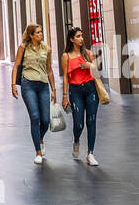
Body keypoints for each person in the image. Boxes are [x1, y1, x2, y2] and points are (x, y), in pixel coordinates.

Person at [11, 23, 56, 164]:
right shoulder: (23, 48)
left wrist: (53, 89)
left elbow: (49, 69)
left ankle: (40, 138)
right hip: (28, 84)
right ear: (31, 35)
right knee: (35, 117)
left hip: (43, 85)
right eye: (38, 32)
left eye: (41, 32)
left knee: (45, 120)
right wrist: (13, 84)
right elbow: (16, 65)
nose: (41, 34)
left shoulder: (47, 49)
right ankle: (38, 151)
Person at [61, 26, 100, 166]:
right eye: (78, 36)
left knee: (91, 121)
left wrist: (90, 65)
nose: (81, 38)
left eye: (81, 36)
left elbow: (97, 75)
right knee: (78, 124)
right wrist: (64, 96)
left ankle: (90, 153)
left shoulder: (88, 53)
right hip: (75, 91)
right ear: (71, 39)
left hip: (90, 90)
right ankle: (76, 141)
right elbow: (65, 77)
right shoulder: (66, 56)